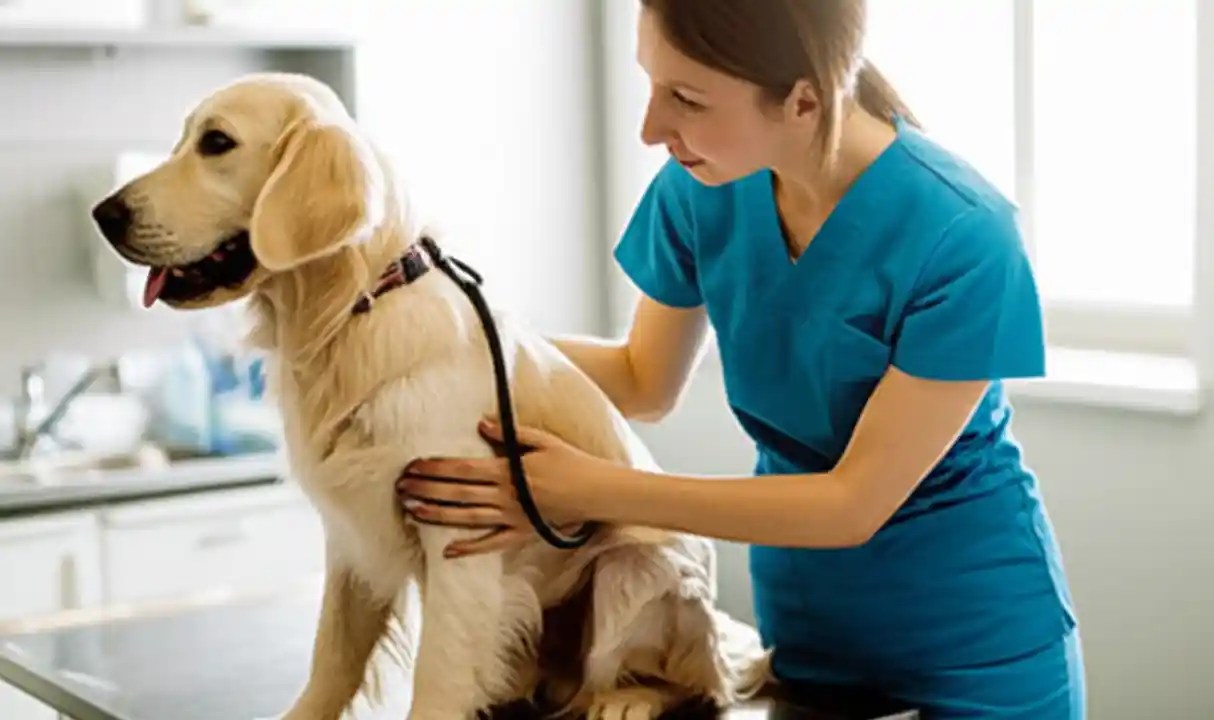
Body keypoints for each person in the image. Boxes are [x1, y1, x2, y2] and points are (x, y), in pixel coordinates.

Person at [394, 0, 1086, 717]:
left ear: (804, 100)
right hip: (809, 636)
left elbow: (853, 502)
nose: (651, 128)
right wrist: (456, 348)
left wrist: (589, 489)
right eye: (653, 85)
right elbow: (641, 379)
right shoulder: (703, 189)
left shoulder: (964, 236)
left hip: (977, 647)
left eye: (687, 99)